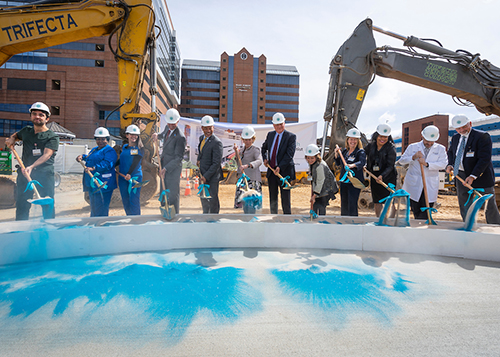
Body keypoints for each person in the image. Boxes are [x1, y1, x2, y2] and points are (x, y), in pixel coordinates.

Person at [6, 102, 59, 220]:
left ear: (47, 118)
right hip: (25, 173)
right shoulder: (26, 131)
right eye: (34, 114)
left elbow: (47, 155)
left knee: (47, 203)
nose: (37, 117)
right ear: (31, 116)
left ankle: (49, 229)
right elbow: (16, 135)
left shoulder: (52, 136)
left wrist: (31, 166)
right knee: (22, 204)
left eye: (41, 115)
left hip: (44, 174)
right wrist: (11, 139)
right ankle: (20, 230)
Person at [445, 115, 500, 224]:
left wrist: (473, 175)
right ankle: (468, 225)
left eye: (464, 127)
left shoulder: (482, 136)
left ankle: (495, 226)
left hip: (481, 176)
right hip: (460, 175)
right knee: (464, 203)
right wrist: (450, 164)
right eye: (458, 128)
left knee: (489, 203)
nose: (462, 130)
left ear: (470, 123)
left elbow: (484, 159)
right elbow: (451, 153)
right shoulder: (455, 137)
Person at [397, 125, 447, 220]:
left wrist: (427, 164)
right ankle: (418, 226)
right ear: (422, 137)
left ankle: (421, 227)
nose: (429, 143)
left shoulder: (441, 149)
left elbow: (443, 164)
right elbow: (402, 161)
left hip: (430, 184)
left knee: (426, 211)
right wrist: (413, 157)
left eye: (431, 141)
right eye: (427, 140)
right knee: (416, 210)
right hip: (414, 184)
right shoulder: (413, 147)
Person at [76, 127, 117, 217]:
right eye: (98, 139)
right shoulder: (95, 149)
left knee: (101, 207)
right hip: (93, 183)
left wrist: (93, 168)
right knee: (94, 206)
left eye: (103, 139)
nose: (100, 141)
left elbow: (107, 164)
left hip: (103, 183)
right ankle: (94, 223)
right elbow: (90, 158)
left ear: (107, 139)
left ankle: (101, 225)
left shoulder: (109, 150)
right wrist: (82, 157)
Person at [152, 108, 186, 214]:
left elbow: (178, 158)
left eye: (173, 123)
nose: (171, 125)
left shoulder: (180, 137)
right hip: (164, 165)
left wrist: (166, 168)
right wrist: (157, 135)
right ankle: (165, 213)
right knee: (164, 190)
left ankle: (174, 215)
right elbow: (163, 135)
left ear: (178, 121)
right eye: (169, 123)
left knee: (172, 193)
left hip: (173, 169)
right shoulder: (167, 128)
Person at [261, 112, 296, 214]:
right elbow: (264, 148)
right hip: (272, 172)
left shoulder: (291, 137)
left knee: (285, 199)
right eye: (277, 124)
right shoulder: (270, 135)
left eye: (281, 123)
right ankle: (273, 218)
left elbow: (289, 155)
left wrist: (280, 166)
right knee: (273, 198)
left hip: (284, 173)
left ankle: (287, 219)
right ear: (273, 125)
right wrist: (265, 159)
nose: (279, 126)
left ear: (284, 123)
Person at [364, 123, 398, 217]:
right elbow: (362, 154)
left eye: (385, 137)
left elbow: (390, 166)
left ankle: (390, 220)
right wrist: (363, 165)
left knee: (389, 200)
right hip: (375, 177)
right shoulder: (371, 146)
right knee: (377, 200)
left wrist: (382, 175)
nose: (382, 139)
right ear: (376, 135)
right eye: (380, 136)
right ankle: (379, 219)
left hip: (388, 178)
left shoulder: (391, 148)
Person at [334, 128, 366, 216]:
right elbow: (338, 163)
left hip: (354, 182)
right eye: (351, 139)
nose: (353, 141)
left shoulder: (360, 152)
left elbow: (362, 162)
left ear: (358, 140)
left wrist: (352, 165)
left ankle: (353, 223)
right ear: (347, 140)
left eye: (355, 139)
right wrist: (336, 154)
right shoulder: (344, 152)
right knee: (344, 204)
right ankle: (344, 223)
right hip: (344, 181)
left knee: (352, 204)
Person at [196, 115, 223, 213]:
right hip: (202, 174)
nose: (208, 131)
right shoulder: (201, 138)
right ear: (202, 128)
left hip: (212, 177)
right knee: (203, 198)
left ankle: (213, 219)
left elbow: (216, 163)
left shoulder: (217, 143)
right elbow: (201, 152)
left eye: (210, 128)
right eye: (205, 128)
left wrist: (206, 176)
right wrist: (199, 160)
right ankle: (205, 215)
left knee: (212, 200)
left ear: (213, 127)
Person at [116, 124, 144, 215]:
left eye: (135, 134)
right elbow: (122, 160)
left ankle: (136, 220)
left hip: (134, 177)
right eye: (131, 134)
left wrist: (129, 173)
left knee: (134, 199)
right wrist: (112, 165)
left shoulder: (139, 148)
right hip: (123, 177)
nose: (134, 136)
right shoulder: (124, 147)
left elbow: (136, 161)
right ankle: (129, 217)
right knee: (125, 199)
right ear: (127, 135)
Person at [233, 125, 263, 209]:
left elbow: (259, 161)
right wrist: (236, 152)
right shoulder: (241, 150)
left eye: (249, 139)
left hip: (252, 181)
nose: (247, 141)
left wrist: (248, 165)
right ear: (243, 140)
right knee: (241, 206)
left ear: (253, 139)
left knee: (253, 206)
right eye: (245, 140)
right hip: (242, 181)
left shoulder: (255, 150)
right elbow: (238, 162)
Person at [305, 144, 338, 215]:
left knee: (320, 206)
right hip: (320, 189)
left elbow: (320, 181)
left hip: (326, 190)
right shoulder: (313, 164)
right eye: (308, 158)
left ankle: (321, 222)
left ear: (317, 156)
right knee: (315, 205)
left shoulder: (320, 166)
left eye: (312, 158)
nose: (310, 160)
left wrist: (314, 195)